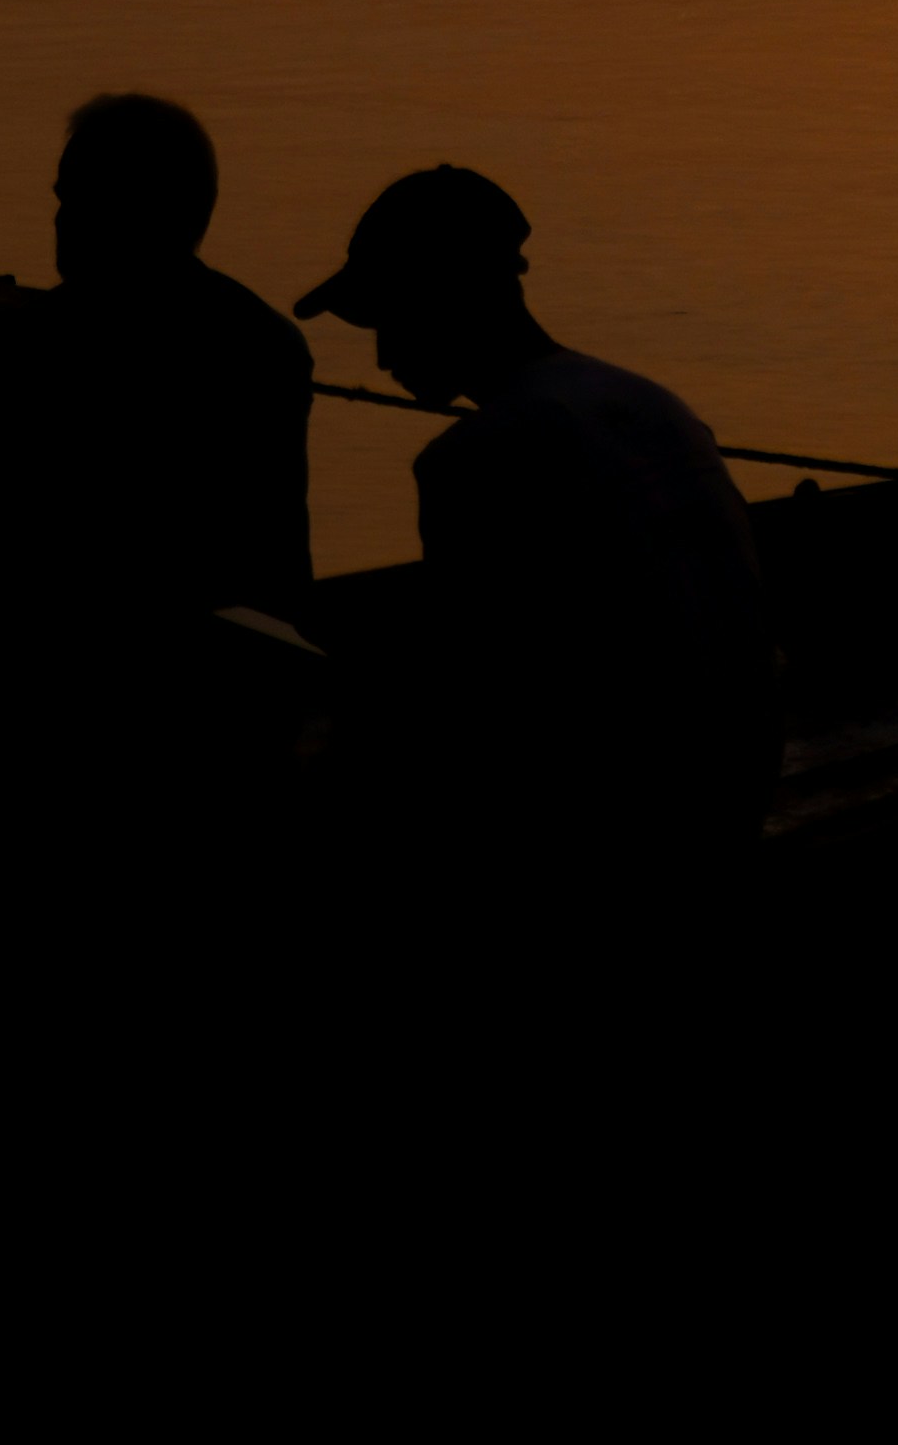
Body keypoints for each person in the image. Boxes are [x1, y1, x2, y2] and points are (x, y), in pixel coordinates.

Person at [294, 166, 779, 917]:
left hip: (635, 849)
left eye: (391, 317)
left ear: (444, 297)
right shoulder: (653, 404)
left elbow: (482, 706)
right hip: (737, 788)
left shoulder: (481, 456)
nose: (384, 355)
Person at [0, 91, 315, 635]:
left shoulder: (37, 342)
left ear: (139, 208)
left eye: (81, 199)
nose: (61, 219)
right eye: (63, 199)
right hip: (244, 651)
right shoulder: (265, 338)